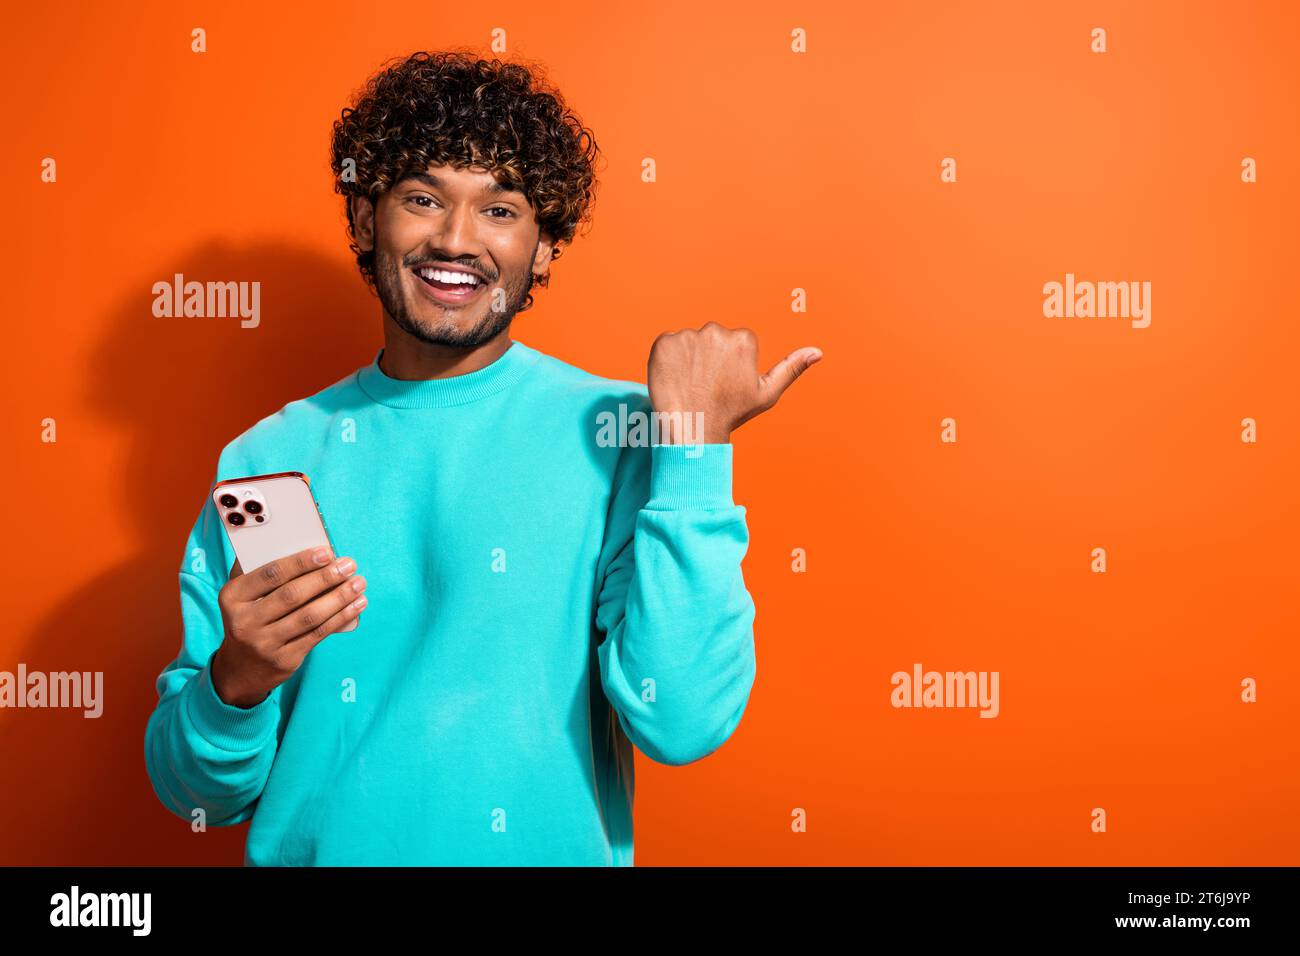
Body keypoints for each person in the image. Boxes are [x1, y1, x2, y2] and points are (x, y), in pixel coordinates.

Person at [144, 50, 821, 865]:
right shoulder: (266, 457)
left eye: (501, 210)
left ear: (544, 250)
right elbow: (196, 798)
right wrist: (238, 678)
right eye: (423, 199)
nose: (456, 241)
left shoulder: (618, 434)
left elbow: (679, 720)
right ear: (365, 220)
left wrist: (694, 453)